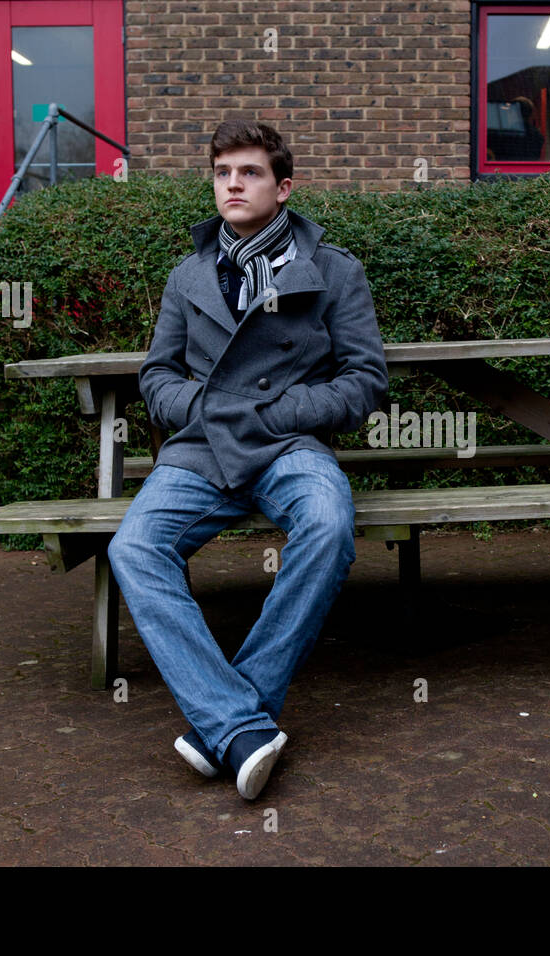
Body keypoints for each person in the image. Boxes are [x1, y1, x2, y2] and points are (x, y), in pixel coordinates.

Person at [108, 120, 388, 800]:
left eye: (250, 172)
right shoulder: (188, 276)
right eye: (222, 171)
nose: (232, 183)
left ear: (283, 186)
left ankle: (228, 725)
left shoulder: (334, 270)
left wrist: (279, 411)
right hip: (202, 449)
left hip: (288, 444)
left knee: (327, 525)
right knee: (134, 548)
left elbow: (364, 381)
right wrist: (209, 411)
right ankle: (242, 727)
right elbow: (157, 379)